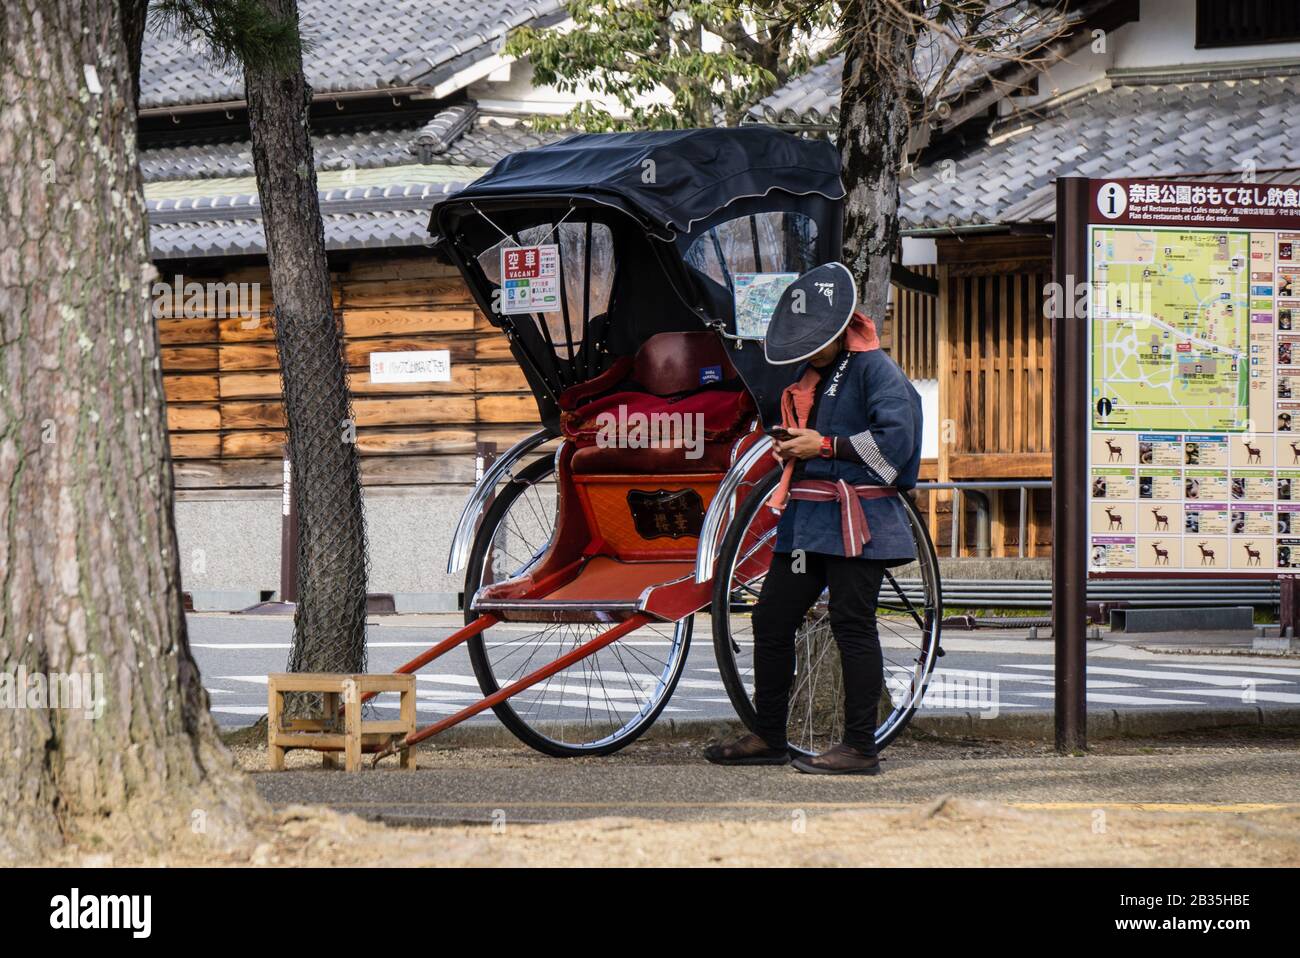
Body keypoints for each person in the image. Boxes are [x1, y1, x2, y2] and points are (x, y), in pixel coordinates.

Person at [705, 263, 923, 775]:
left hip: (858, 520)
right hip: (808, 523)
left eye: (816, 343)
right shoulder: (811, 379)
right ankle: (770, 734)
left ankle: (860, 747)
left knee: (852, 624)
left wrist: (825, 444)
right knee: (772, 617)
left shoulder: (876, 369)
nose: (807, 353)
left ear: (839, 331)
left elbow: (897, 446)